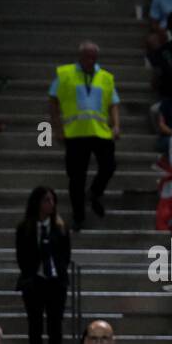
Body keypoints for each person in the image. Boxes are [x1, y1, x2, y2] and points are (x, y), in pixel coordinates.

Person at [50, 42, 121, 231]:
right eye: (87, 56)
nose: (91, 60)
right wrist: (56, 128)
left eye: (93, 56)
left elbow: (114, 102)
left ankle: (95, 192)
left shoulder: (105, 77)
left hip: (100, 131)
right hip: (75, 132)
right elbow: (53, 100)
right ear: (80, 56)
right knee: (76, 178)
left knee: (109, 165)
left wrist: (116, 125)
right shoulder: (64, 74)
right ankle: (78, 216)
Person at [15, 187, 72, 344]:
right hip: (35, 281)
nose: (51, 204)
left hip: (55, 281)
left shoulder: (60, 228)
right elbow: (21, 255)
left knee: (55, 325)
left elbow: (65, 255)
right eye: (47, 200)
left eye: (52, 200)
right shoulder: (25, 227)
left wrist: (59, 274)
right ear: (37, 203)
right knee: (35, 325)